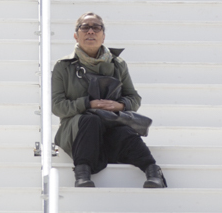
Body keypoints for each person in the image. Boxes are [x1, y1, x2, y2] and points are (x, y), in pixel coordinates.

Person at [51, 13, 166, 189]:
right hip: (78, 130)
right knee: (91, 119)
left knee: (123, 132)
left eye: (96, 27)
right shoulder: (63, 66)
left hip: (110, 125)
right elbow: (57, 106)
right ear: (76, 35)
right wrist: (88, 104)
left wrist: (119, 106)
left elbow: (134, 98)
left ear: (103, 35)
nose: (90, 31)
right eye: (85, 27)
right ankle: (82, 173)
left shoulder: (118, 64)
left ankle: (152, 170)